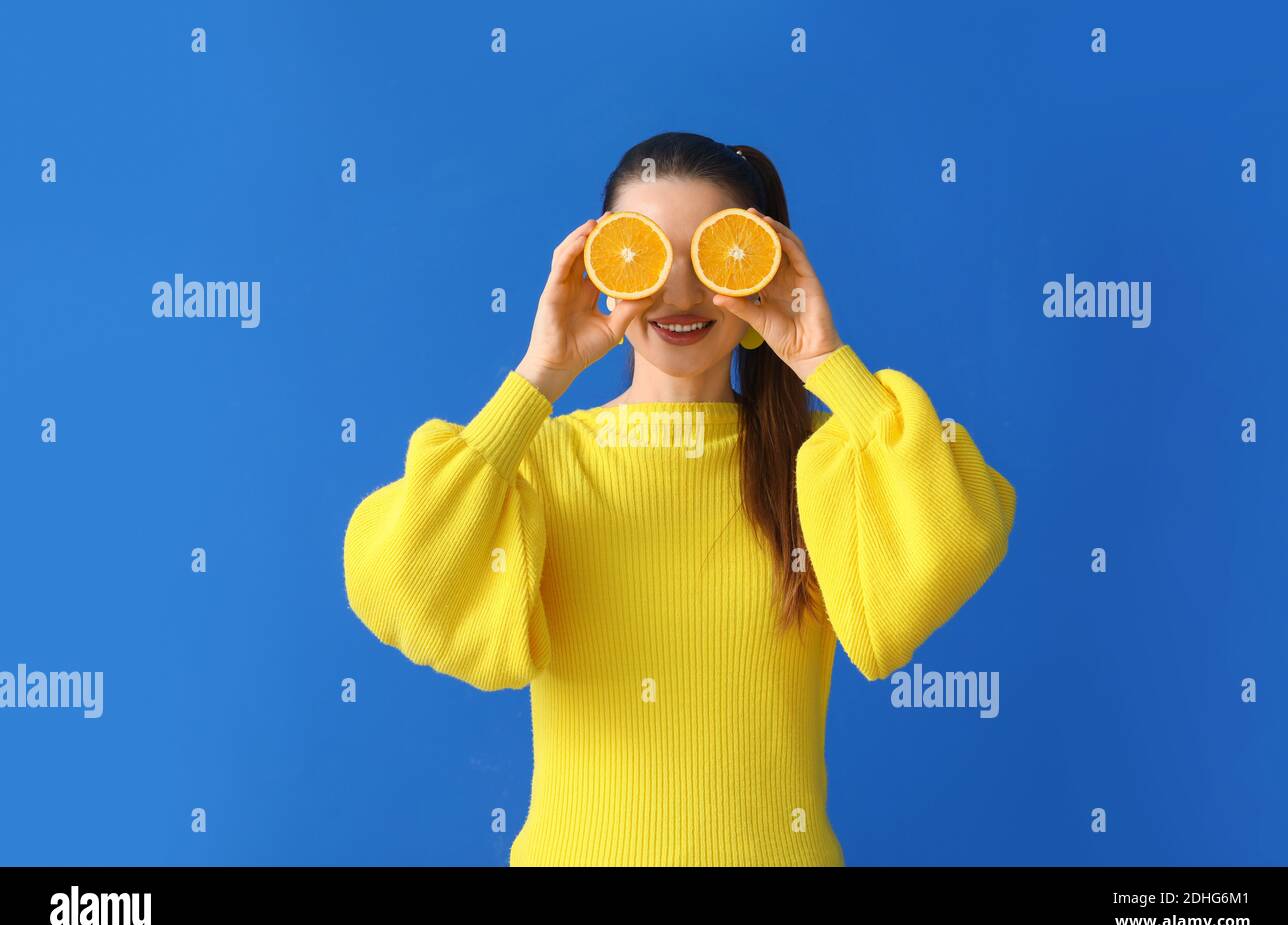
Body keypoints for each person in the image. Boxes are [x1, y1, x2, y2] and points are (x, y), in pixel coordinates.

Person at [342, 131, 1017, 865]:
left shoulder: (822, 465)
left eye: (712, 258)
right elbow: (394, 578)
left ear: (760, 270)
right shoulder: (537, 463)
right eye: (649, 256)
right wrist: (538, 376)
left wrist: (827, 363)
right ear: (603, 267)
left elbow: (963, 527)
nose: (683, 293)